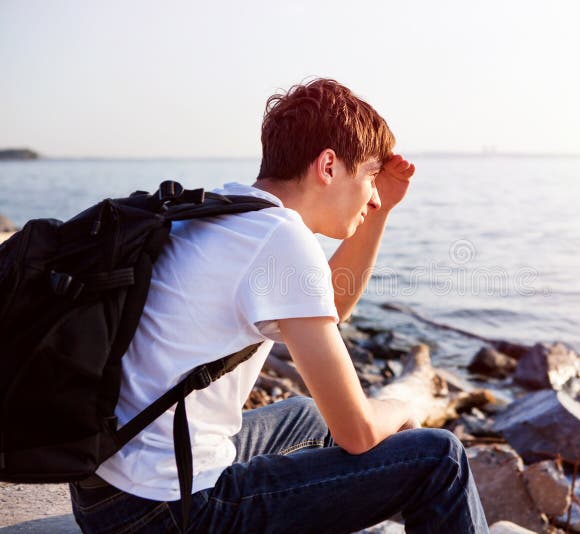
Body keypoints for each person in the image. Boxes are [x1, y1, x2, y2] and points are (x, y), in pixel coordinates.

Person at [69, 78, 488, 533]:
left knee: (308, 416)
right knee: (439, 458)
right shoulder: (281, 239)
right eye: (370, 177)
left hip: (106, 487)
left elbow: (332, 306)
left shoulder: (226, 212)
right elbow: (359, 432)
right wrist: (400, 409)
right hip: (166, 513)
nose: (373, 194)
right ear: (328, 165)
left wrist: (380, 213)